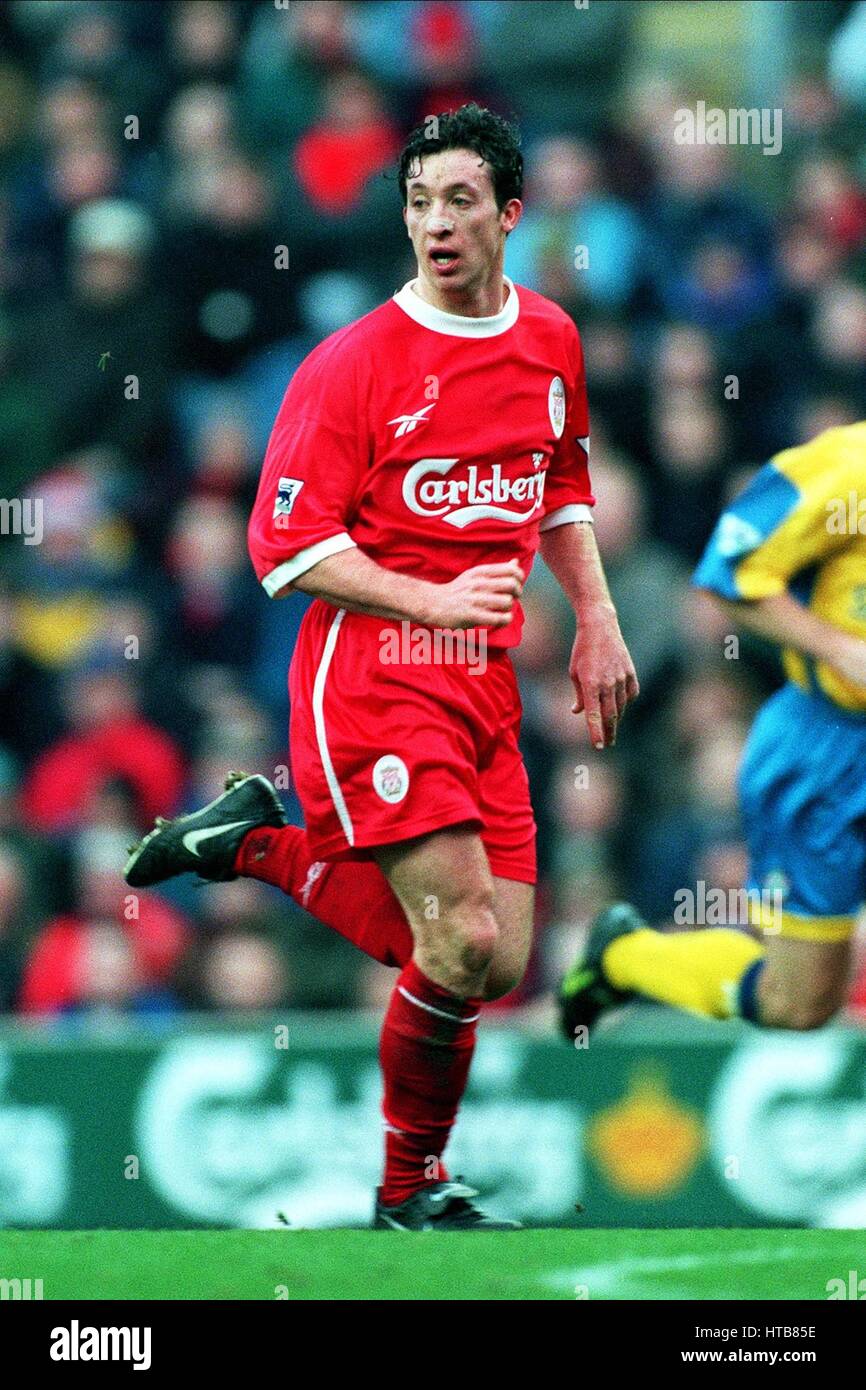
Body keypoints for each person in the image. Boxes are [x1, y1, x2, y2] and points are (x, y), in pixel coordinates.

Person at [126, 104, 638, 1230]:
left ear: (510, 213)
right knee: (456, 937)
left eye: (459, 201)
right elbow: (281, 543)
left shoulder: (550, 337)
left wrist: (594, 616)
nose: (435, 224)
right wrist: (433, 599)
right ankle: (408, 1190)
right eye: (417, 203)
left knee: (493, 964)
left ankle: (255, 840)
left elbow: (558, 486)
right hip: (372, 673)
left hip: (483, 680)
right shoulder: (353, 364)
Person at [559, 422, 866, 1040]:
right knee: (799, 1004)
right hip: (828, 754)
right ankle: (622, 959)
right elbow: (726, 572)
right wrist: (837, 647)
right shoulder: (842, 471)